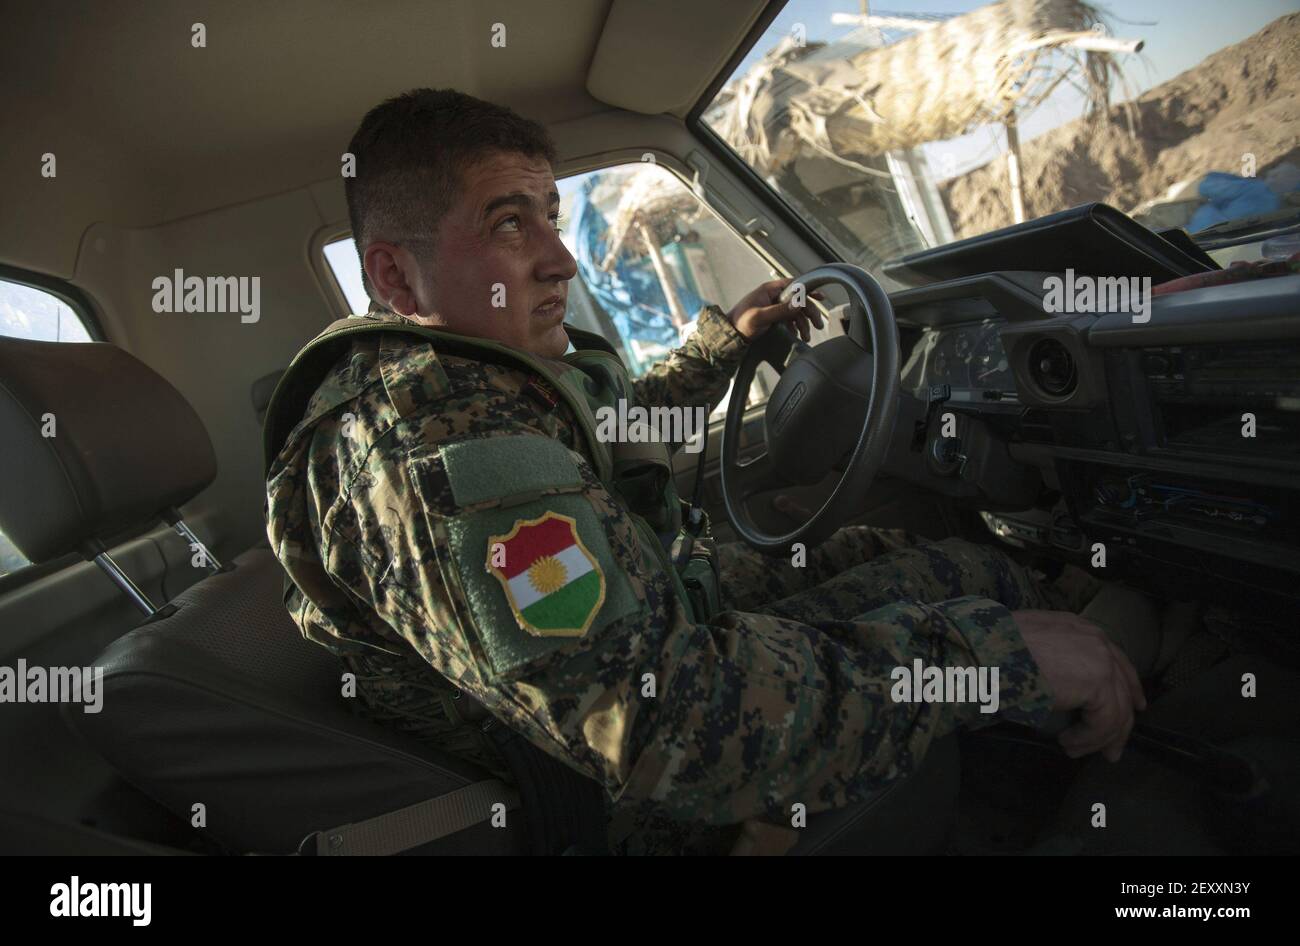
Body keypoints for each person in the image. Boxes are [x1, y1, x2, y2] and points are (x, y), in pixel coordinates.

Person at [264, 88, 1144, 854]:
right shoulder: (431, 452)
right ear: (395, 276)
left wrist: (721, 344)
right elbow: (660, 726)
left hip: (666, 611)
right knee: (968, 585)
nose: (560, 258)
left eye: (549, 217)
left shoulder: (464, 389)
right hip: (637, 798)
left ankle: (1079, 696)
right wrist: (988, 657)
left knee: (916, 554)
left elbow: (606, 441)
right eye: (506, 222)